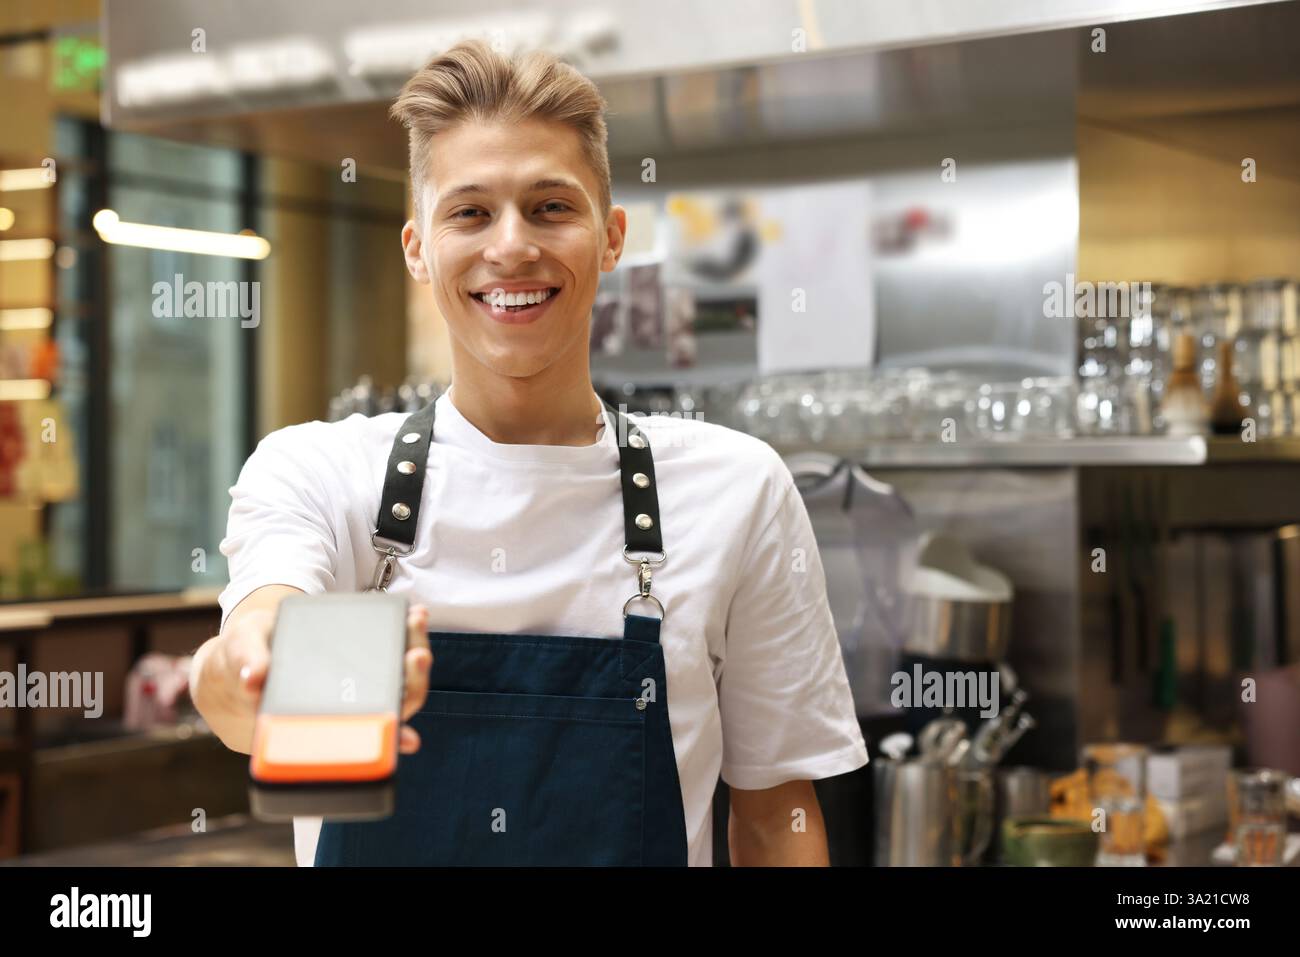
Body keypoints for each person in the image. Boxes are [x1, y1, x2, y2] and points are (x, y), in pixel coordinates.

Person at [190, 38, 867, 867]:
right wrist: (242, 673)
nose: (511, 246)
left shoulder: (737, 489)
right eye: (469, 212)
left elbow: (775, 816)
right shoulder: (323, 474)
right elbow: (246, 673)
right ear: (417, 248)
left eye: (551, 206)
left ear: (612, 237)